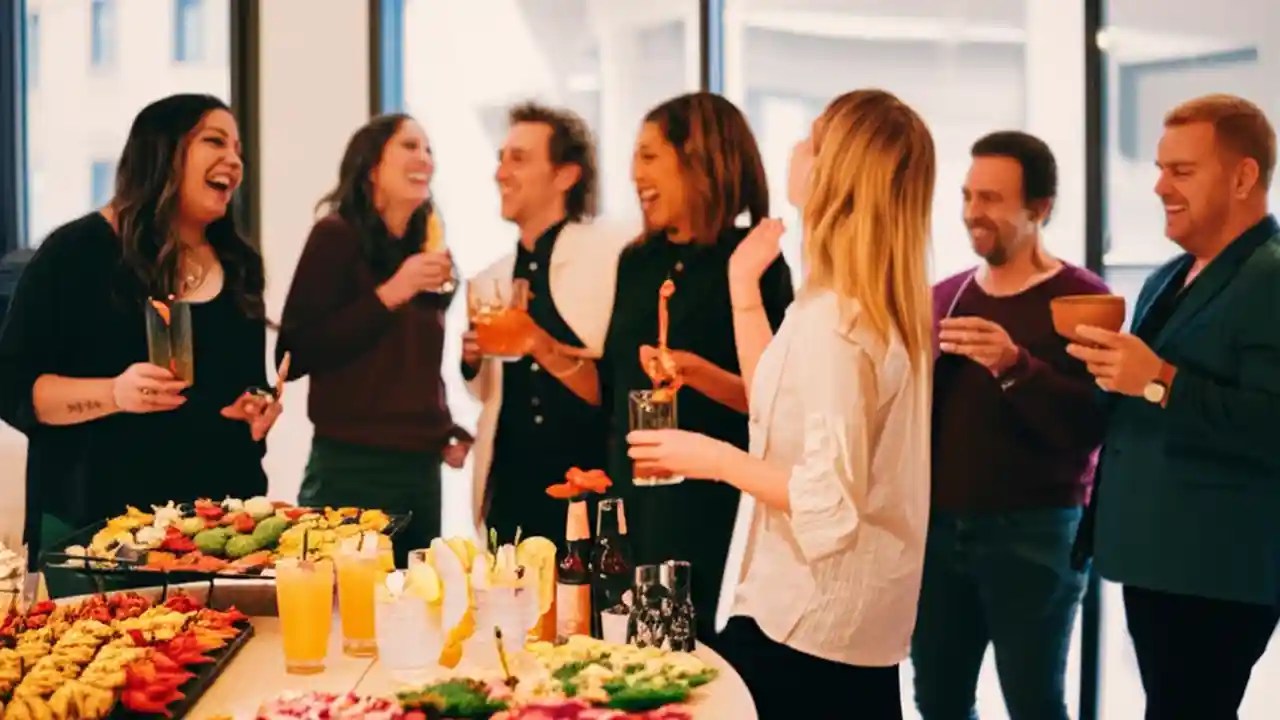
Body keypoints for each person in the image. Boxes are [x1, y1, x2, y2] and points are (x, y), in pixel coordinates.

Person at [628, 89, 934, 719]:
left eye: (812, 138)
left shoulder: (839, 321)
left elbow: (827, 500)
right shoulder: (858, 304)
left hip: (806, 621)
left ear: (834, 172)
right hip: (838, 625)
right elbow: (775, 398)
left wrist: (709, 456)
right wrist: (743, 289)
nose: (794, 148)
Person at [1069, 93, 1280, 720]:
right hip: (1157, 557)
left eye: (1181, 171)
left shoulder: (1271, 277)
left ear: (1244, 177)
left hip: (1217, 568)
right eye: (1160, 169)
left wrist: (1159, 380)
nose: (1159, 186)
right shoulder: (1169, 274)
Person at [0, 93, 281, 562]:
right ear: (162, 151)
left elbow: (240, 384)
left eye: (238, 150)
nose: (234, 160)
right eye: (215, 141)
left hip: (218, 531)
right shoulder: (76, 252)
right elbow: (12, 388)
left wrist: (258, 406)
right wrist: (115, 394)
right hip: (97, 535)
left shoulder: (239, 263)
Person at [913, 132, 1108, 720]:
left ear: (1040, 208)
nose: (974, 212)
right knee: (938, 702)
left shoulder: (1083, 299)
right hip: (940, 534)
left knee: (1035, 704)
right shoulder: (943, 298)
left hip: (1038, 536)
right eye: (969, 195)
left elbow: (1092, 426)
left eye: (992, 198)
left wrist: (1014, 365)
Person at [276, 114, 466, 565]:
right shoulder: (335, 236)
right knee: (342, 611)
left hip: (420, 469)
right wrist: (390, 294)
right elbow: (294, 351)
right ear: (371, 167)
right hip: (350, 468)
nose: (425, 157)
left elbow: (409, 364)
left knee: (416, 608)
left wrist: (441, 427)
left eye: (429, 148)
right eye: (409, 145)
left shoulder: (428, 246)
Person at [462, 102, 630, 544]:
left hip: (591, 487)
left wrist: (538, 342)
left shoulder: (611, 255)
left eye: (519, 158)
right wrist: (472, 361)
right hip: (510, 489)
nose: (501, 172)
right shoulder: (489, 279)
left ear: (565, 175)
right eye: (501, 158)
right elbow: (487, 395)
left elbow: (616, 382)